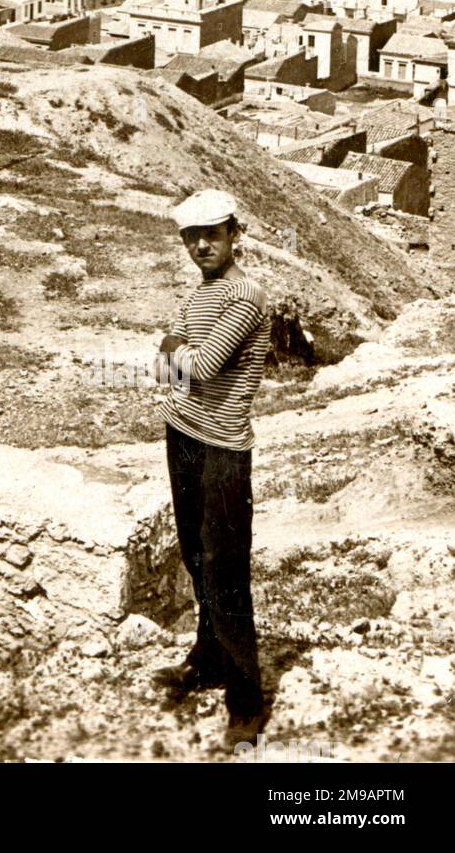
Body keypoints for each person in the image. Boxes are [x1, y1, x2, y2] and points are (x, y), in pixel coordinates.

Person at [151, 188, 270, 745]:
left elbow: (198, 367)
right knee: (196, 556)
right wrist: (176, 355)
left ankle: (246, 698)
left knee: (226, 570)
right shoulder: (197, 295)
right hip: (182, 435)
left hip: (222, 447)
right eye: (191, 237)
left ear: (232, 234)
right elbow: (169, 373)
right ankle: (208, 655)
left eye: (212, 235)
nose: (201, 245)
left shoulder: (244, 295)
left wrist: (173, 349)